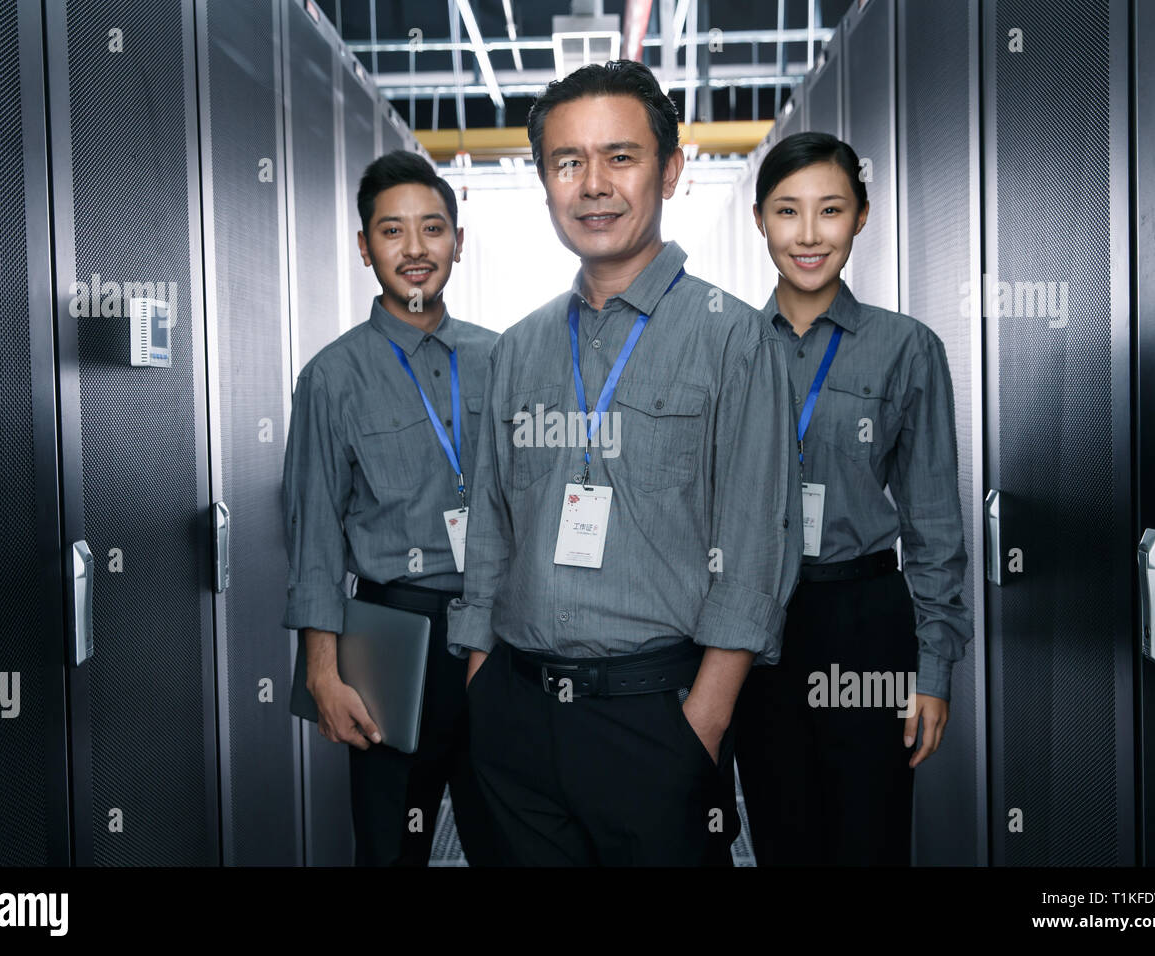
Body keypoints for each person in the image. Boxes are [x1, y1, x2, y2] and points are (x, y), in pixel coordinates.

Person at [447, 60, 803, 866]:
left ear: (670, 170)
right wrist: (481, 682)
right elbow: (492, 534)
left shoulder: (732, 339)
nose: (593, 184)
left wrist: (701, 725)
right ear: (544, 183)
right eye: (567, 162)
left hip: (655, 717)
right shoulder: (520, 347)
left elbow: (753, 553)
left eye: (621, 156)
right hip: (516, 713)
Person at [734, 131, 972, 865]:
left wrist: (933, 671)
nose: (808, 236)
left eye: (830, 210)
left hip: (864, 621)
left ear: (861, 217)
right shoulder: (726, 347)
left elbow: (933, 525)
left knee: (869, 838)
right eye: (787, 211)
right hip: (752, 623)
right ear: (760, 220)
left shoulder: (908, 349)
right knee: (780, 835)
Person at [281, 150, 498, 866]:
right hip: (392, 638)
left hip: (503, 635)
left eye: (432, 229)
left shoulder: (505, 360)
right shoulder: (332, 379)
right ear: (364, 246)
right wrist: (321, 672)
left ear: (458, 243)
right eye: (391, 231)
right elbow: (313, 536)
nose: (414, 249)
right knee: (390, 848)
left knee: (515, 840)